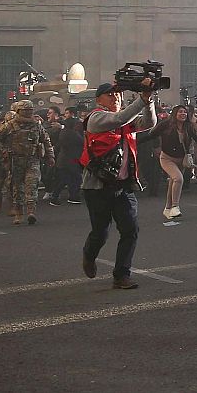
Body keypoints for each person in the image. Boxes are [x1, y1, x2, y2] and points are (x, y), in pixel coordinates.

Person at [80, 81, 156, 290]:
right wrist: (141, 99)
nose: (115, 98)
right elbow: (119, 119)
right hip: (98, 186)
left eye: (118, 95)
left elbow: (149, 123)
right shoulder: (96, 118)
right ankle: (89, 254)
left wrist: (148, 100)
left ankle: (121, 275)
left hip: (123, 185)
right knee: (101, 231)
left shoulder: (126, 119)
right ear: (98, 100)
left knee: (130, 229)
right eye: (109, 95)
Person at [0, 101, 54, 225]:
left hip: (32, 159)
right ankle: (19, 213)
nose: (28, 113)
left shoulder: (36, 125)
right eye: (25, 110)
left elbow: (46, 141)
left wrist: (50, 156)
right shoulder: (9, 126)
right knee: (17, 188)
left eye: (30, 110)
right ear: (18, 111)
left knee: (32, 185)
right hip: (15, 160)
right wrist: (4, 151)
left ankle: (31, 211)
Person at [151, 103, 197, 223]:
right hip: (167, 158)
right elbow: (152, 134)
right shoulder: (166, 124)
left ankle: (167, 208)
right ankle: (175, 206)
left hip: (181, 159)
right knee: (178, 178)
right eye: (180, 112)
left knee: (173, 181)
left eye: (185, 112)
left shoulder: (188, 126)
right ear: (175, 114)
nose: (183, 114)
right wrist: (154, 147)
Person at [48, 107, 84, 205]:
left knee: (67, 179)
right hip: (71, 159)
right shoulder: (71, 133)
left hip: (64, 159)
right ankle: (70, 197)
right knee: (73, 178)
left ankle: (70, 197)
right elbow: (81, 142)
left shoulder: (64, 132)